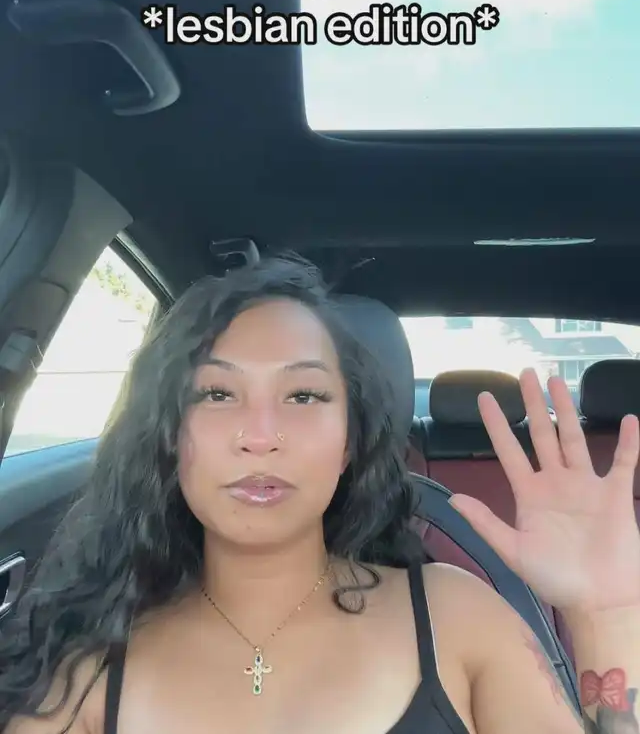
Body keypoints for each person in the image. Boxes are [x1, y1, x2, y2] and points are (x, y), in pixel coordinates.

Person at [1, 254, 639, 734]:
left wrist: (605, 613)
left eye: (303, 395)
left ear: (349, 443)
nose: (260, 436)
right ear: (168, 436)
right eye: (217, 394)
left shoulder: (455, 615)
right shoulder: (88, 673)